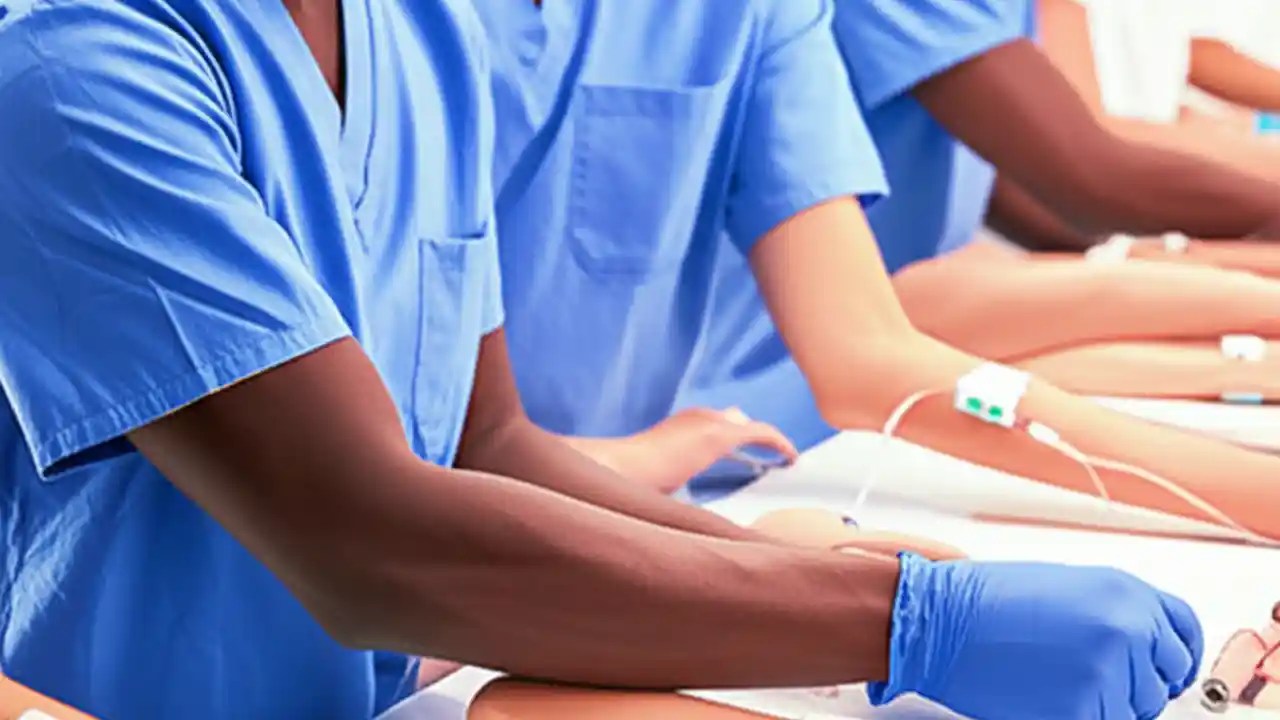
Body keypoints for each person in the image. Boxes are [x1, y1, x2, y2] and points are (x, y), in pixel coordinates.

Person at [0, 1, 1203, 719]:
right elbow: (363, 538)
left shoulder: (413, 31)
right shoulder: (70, 66)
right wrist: (905, 621)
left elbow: (489, 444)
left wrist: (790, 577)